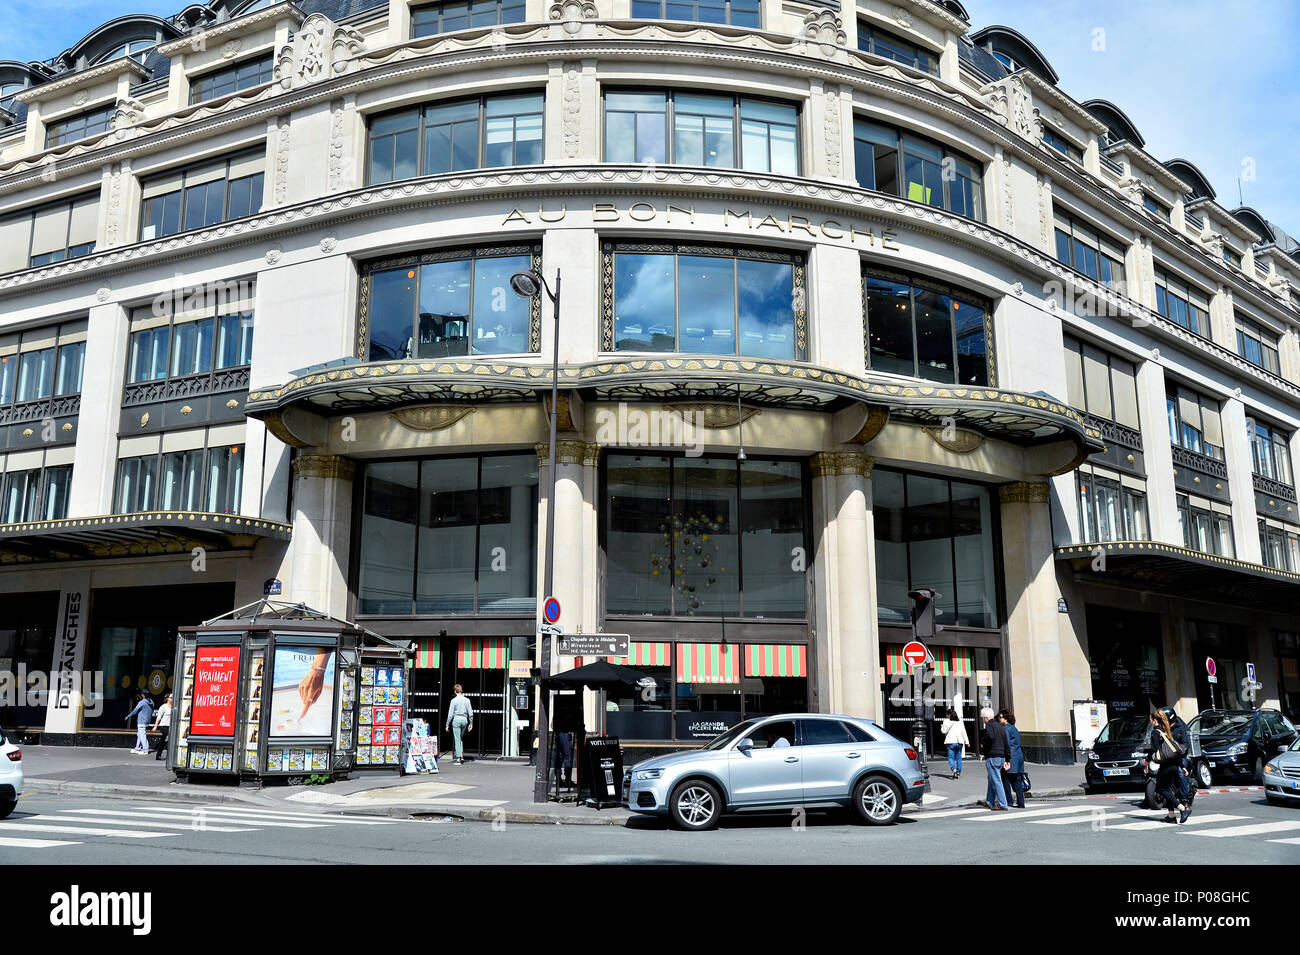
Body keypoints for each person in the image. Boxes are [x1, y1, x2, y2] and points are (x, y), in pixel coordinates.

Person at [1148, 709, 1191, 824]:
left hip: (1166, 765)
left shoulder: (1156, 732)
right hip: (1174, 764)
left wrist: (1147, 761)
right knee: (1167, 789)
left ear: (1155, 721)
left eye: (1151, 720)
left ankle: (1183, 808)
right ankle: (1171, 816)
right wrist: (1182, 766)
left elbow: (1154, 749)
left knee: (1160, 789)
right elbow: (1174, 750)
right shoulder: (1166, 731)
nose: (1150, 723)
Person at [978, 707, 1011, 810]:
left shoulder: (989, 725)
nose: (983, 720)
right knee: (991, 778)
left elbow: (990, 736)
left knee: (996, 780)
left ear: (986, 717)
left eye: (983, 718)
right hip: (1001, 756)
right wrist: (1007, 759)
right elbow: (1006, 743)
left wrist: (983, 742)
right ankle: (989, 801)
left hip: (992, 756)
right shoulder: (1000, 726)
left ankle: (1003, 804)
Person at [999, 708, 1026, 808]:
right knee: (1017, 780)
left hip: (1011, 757)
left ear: (1005, 718)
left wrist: (1006, 760)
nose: (999, 719)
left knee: (1005, 778)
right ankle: (1021, 802)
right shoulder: (1014, 728)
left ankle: (1009, 801)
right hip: (1018, 756)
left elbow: (1006, 745)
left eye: (1000, 717)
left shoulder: (1005, 728)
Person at [444, 685, 473, 765]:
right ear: (461, 691)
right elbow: (470, 713)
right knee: (460, 738)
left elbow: (450, 714)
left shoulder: (453, 701)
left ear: (455, 691)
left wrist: (447, 724)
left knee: (457, 738)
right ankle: (462, 756)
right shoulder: (467, 700)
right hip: (464, 720)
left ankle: (458, 758)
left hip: (456, 720)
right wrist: (471, 723)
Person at [940, 707, 969, 779]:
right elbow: (964, 732)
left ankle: (953, 769)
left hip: (950, 742)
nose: (946, 716)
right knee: (959, 757)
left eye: (947, 714)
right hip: (959, 742)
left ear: (949, 715)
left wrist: (942, 727)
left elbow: (943, 731)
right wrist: (967, 742)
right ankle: (958, 773)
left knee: (951, 757)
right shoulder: (960, 722)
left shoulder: (946, 721)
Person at [151, 693, 173, 761]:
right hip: (163, 726)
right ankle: (168, 755)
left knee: (162, 741)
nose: (172, 698)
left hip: (170, 726)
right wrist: (155, 727)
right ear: (167, 699)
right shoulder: (163, 707)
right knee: (168, 737)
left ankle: (158, 755)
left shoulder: (174, 706)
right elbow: (159, 717)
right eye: (171, 697)